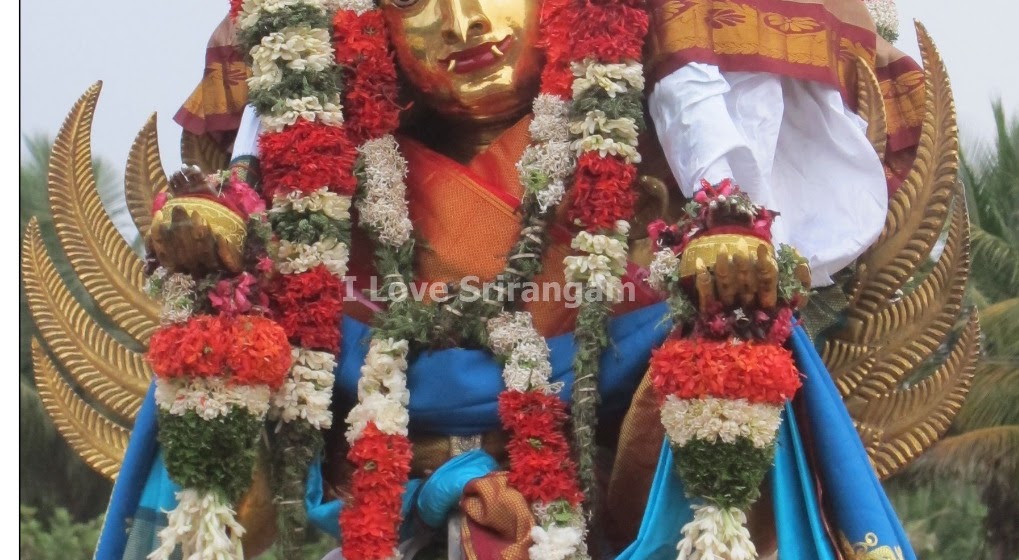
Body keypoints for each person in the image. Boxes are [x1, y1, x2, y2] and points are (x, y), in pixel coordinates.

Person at [97, 0, 930, 558]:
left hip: (608, 521)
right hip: (372, 524)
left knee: (736, 343)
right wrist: (227, 288)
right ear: (367, 30)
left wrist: (726, 275)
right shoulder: (313, 218)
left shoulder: (650, 203)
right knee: (214, 346)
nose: (462, 21)